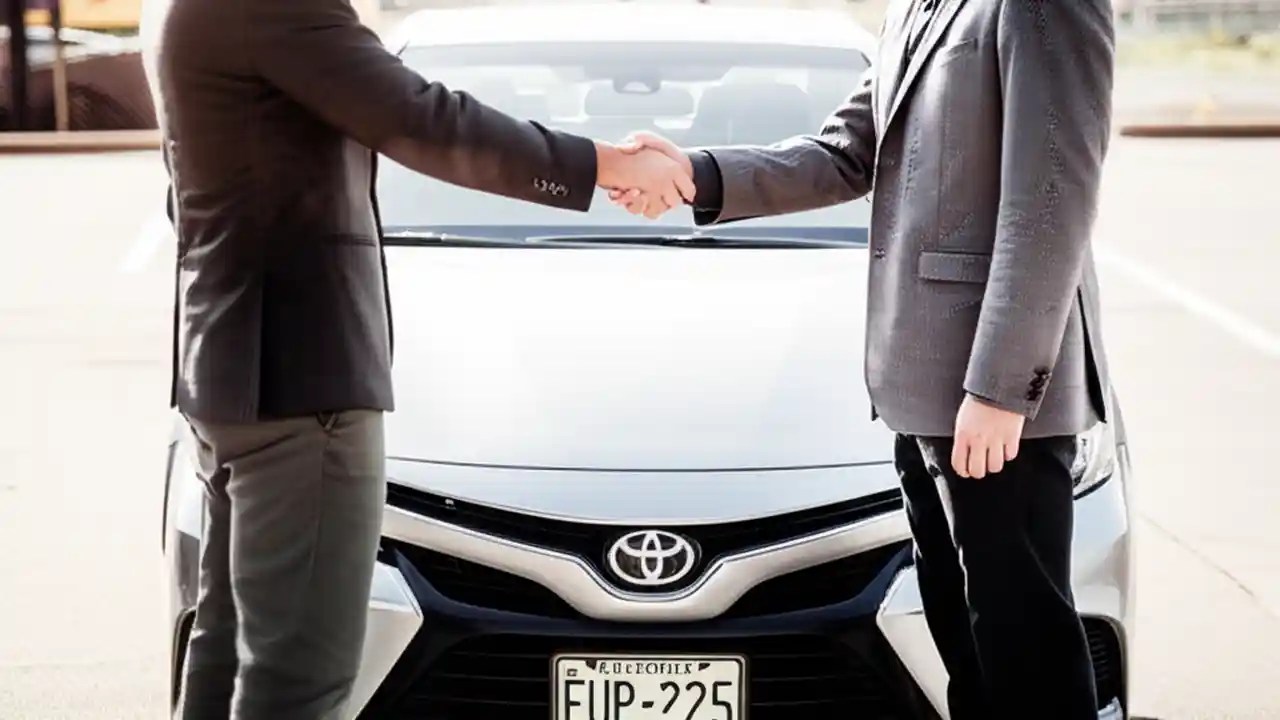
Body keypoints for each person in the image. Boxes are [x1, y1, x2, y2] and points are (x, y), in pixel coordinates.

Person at [138, 0, 693, 716]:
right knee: (300, 674)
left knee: (226, 645)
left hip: (229, 372)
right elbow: (423, 119)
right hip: (299, 385)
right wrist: (600, 165)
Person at [614, 1, 1115, 718]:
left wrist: (1003, 388)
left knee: (1027, 663)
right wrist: (696, 173)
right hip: (921, 392)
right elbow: (844, 155)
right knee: (969, 655)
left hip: (995, 403)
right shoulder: (917, 8)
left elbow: (1052, 196)